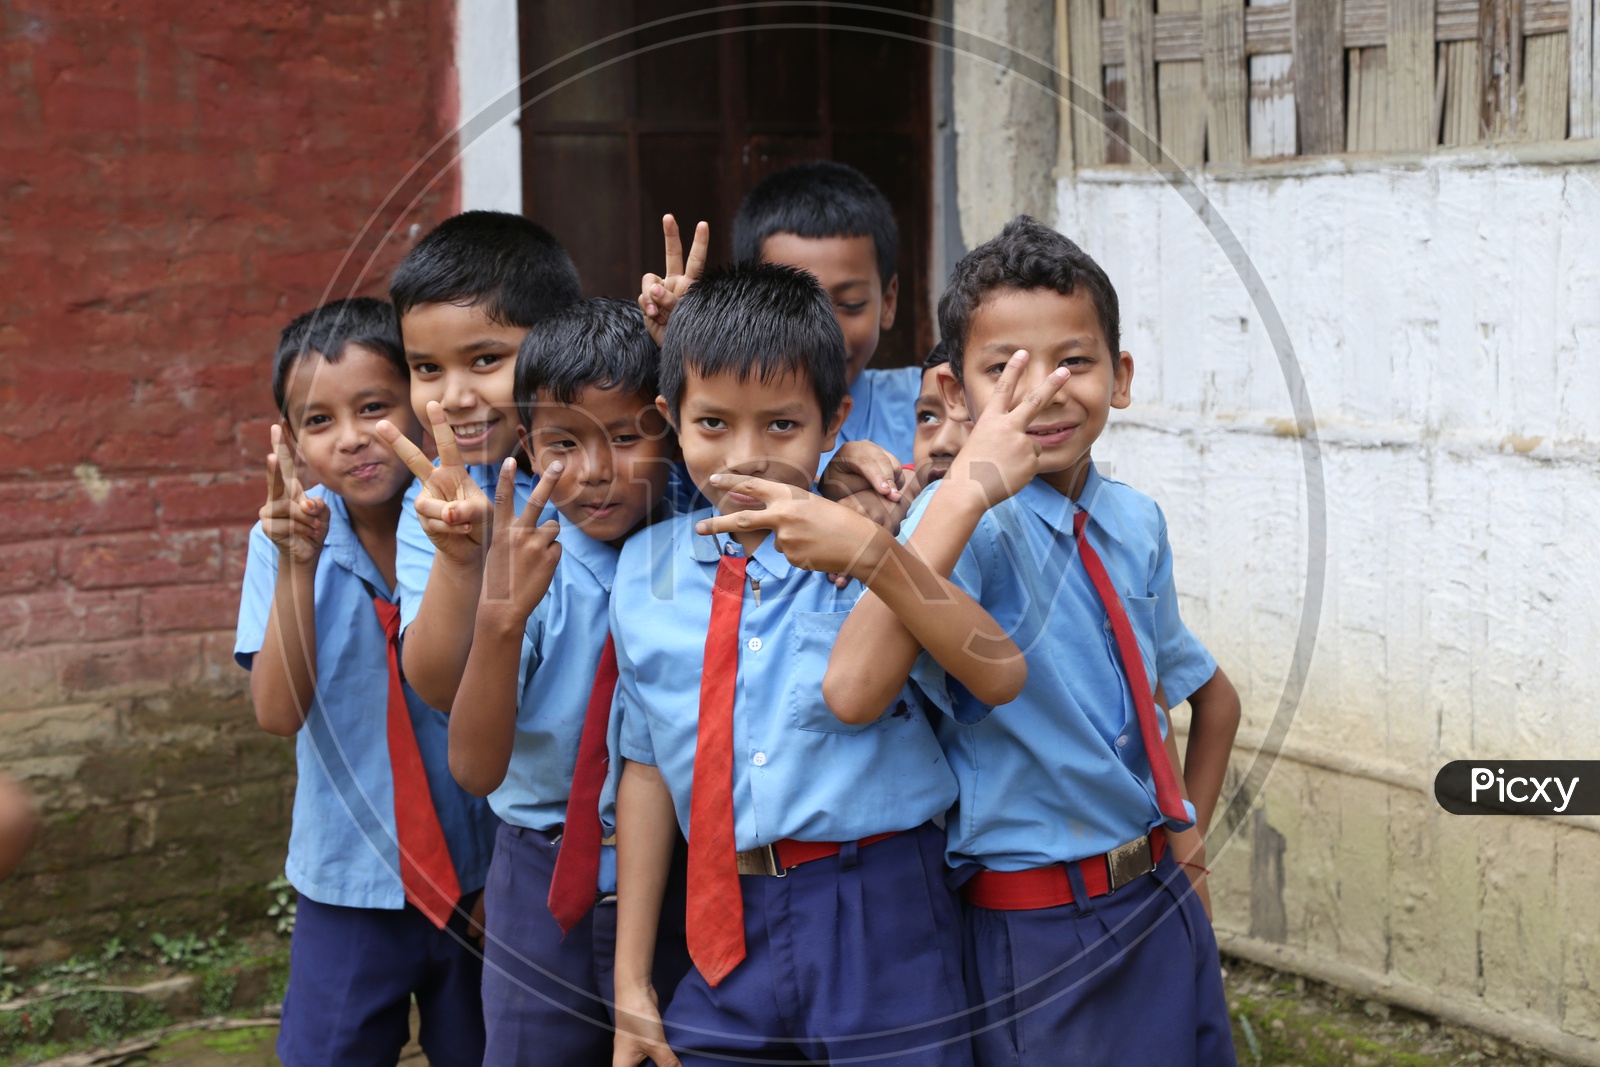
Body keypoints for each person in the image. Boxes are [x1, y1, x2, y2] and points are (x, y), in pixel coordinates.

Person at [826, 215, 1242, 1066]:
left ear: (1121, 377)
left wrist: (1189, 854)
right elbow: (854, 690)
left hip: (1156, 897)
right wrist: (961, 495)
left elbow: (1173, 700)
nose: (1045, 390)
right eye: (1005, 368)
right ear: (955, 392)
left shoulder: (1135, 521)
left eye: (1074, 361)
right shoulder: (958, 528)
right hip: (1038, 924)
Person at [608, 262, 1022, 1067]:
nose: (747, 455)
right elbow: (648, 767)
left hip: (880, 908)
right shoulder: (642, 572)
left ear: (833, 420)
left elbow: (994, 672)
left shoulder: (880, 542)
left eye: (781, 425)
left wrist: (875, 555)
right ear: (670, 418)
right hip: (725, 919)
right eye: (713, 422)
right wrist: (631, 979)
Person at [406, 298, 686, 1065]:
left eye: (625, 437)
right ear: (527, 448)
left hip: (681, 869)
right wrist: (500, 616)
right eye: (564, 443)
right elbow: (475, 767)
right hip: (541, 872)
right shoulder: (521, 564)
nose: (595, 471)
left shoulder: (699, 541)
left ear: (669, 427)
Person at [234, 298, 497, 1067]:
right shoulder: (279, 539)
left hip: (482, 872)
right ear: (290, 440)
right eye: (318, 421)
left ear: (417, 405)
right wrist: (297, 566)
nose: (351, 437)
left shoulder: (469, 517)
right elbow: (277, 712)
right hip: (347, 880)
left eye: (374, 407)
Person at [384, 210, 583, 712]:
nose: (453, 397)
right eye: (427, 368)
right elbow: (438, 688)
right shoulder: (437, 504)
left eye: (485, 360)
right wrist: (458, 559)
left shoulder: (634, 460)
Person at [638, 160, 919, 469]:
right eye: (787, 305)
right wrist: (689, 343)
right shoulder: (686, 417)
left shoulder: (934, 403)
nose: (827, 331)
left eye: (851, 304)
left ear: (888, 301)